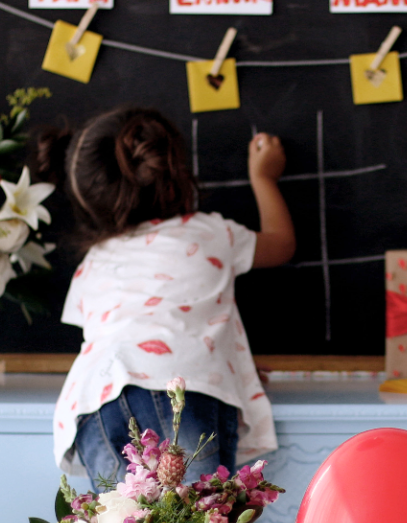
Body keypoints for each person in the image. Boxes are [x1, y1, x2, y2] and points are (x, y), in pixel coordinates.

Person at [44, 106, 295, 488]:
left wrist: (231, 362)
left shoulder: (95, 260)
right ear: (175, 173)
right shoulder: (210, 234)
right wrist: (263, 177)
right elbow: (281, 244)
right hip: (182, 392)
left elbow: (129, 327)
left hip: (94, 401)